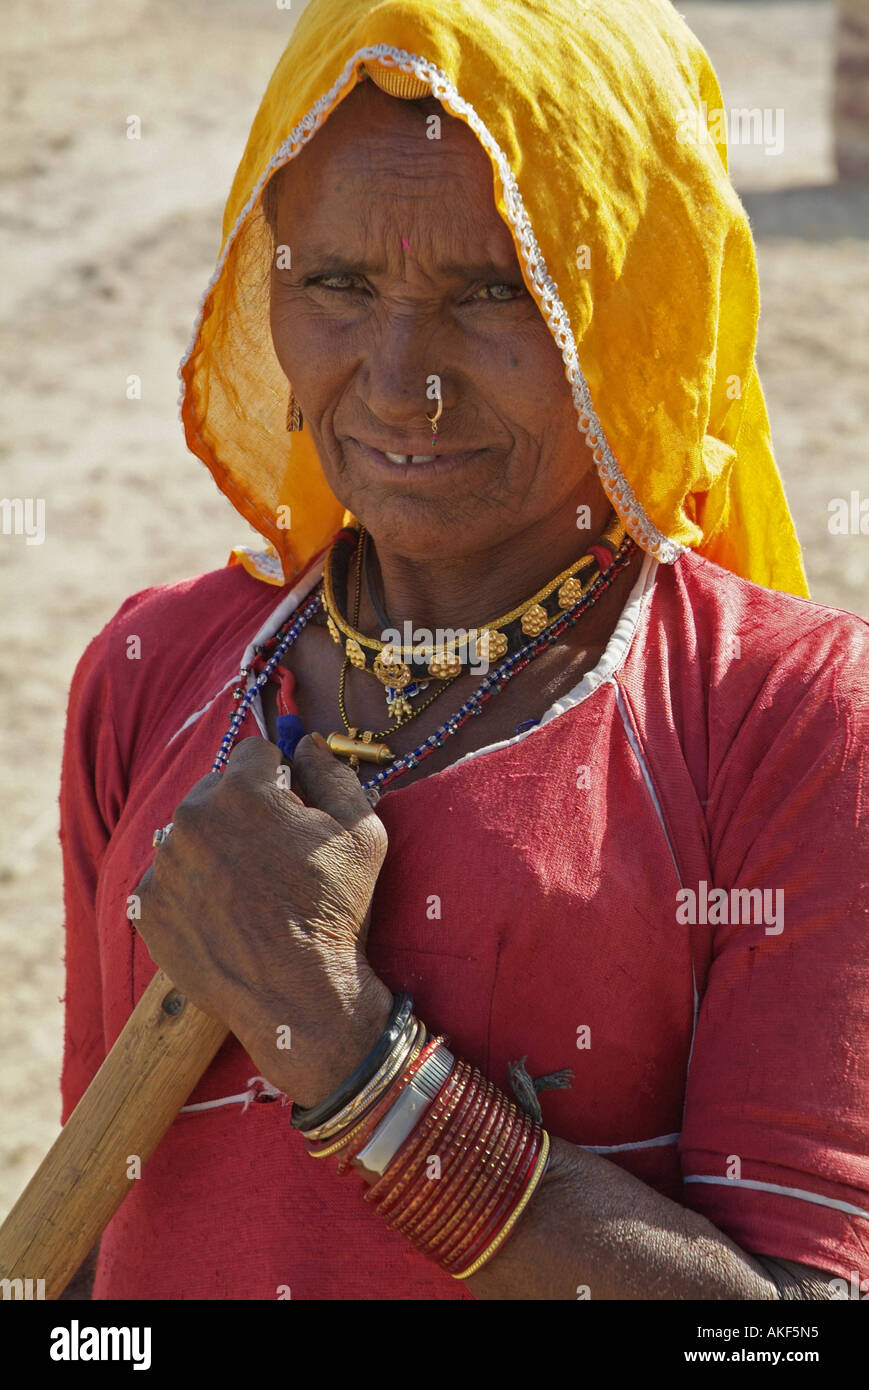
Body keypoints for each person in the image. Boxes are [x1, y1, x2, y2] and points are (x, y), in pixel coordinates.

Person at [59, 0, 868, 1300]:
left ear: (636, 302)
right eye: (336, 281)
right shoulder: (149, 671)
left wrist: (341, 1045)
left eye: (494, 288)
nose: (396, 380)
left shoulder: (786, 715)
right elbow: (102, 1233)